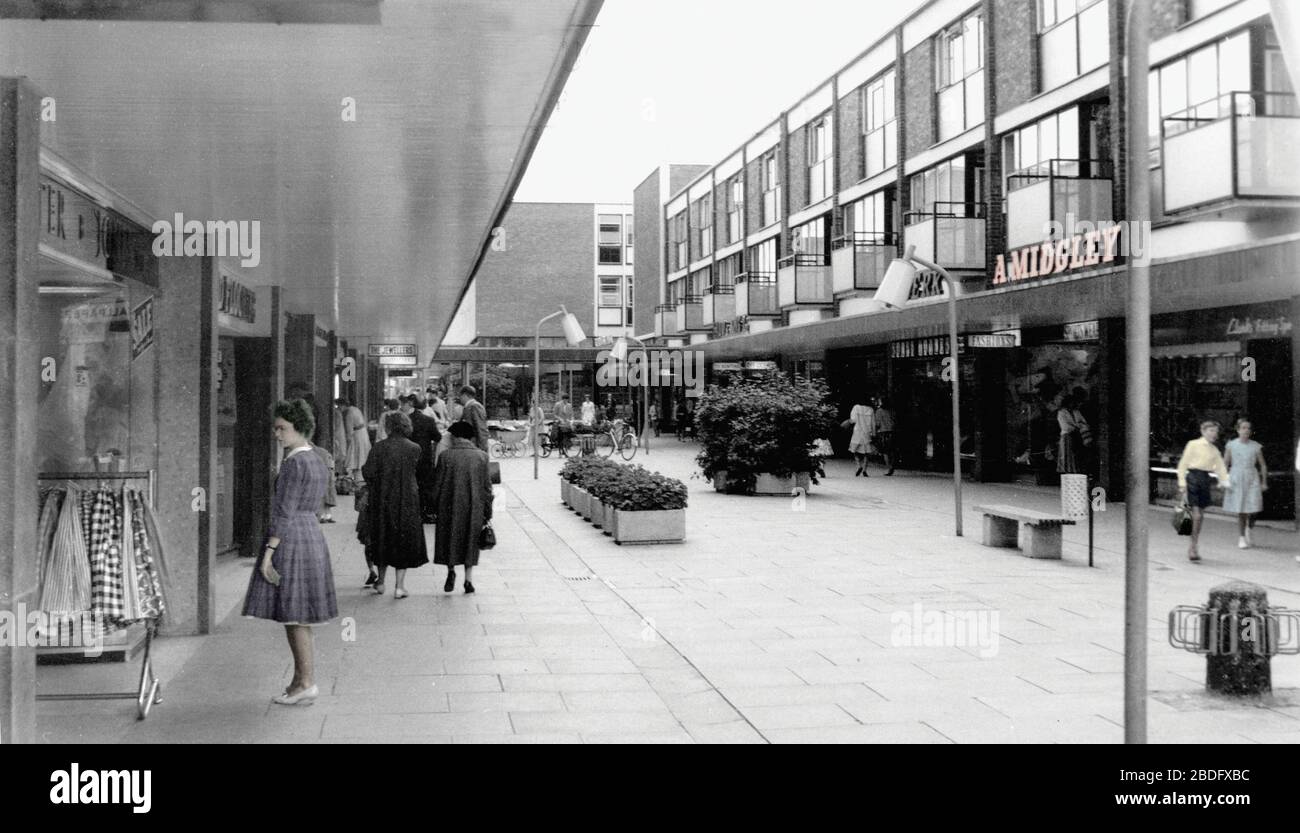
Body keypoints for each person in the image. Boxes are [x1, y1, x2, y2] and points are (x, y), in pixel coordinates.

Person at [242, 399, 338, 706]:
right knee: (299, 616)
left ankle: (305, 682)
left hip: (292, 537)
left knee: (294, 616)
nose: (277, 434)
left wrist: (269, 552)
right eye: (276, 428)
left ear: (299, 427)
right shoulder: (317, 458)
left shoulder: (293, 463)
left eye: (282, 428)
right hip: (310, 533)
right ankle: (300, 681)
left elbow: (283, 512)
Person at [361, 411, 429, 598]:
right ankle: (399, 587)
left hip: (383, 499)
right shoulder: (415, 448)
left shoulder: (379, 448)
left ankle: (381, 582)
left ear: (389, 427)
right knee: (403, 540)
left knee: (383, 538)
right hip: (407, 500)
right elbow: (420, 474)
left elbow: (368, 472)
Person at [431, 421, 494, 594]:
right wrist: (488, 510)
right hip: (474, 506)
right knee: (470, 541)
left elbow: (437, 485)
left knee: (450, 539)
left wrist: (434, 505)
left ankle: (451, 571)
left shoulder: (445, 456)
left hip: (448, 505)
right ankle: (468, 580)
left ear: (454, 437)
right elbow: (487, 487)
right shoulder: (481, 457)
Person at [1176, 420, 1231, 562]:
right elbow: (1183, 464)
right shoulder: (1193, 445)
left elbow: (1220, 467)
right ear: (1203, 431)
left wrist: (1224, 481)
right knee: (1196, 515)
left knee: (1200, 515)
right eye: (1211, 431)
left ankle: (1194, 544)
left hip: (1204, 480)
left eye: (1216, 432)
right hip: (1193, 478)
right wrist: (1182, 483)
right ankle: (1193, 547)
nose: (1214, 434)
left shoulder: (1214, 450)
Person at [1223, 419, 1267, 550]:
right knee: (1242, 509)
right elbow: (1224, 464)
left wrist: (1264, 481)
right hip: (1237, 476)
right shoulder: (1231, 445)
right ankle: (1241, 537)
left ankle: (1249, 528)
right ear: (1238, 430)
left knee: (1254, 508)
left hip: (1252, 476)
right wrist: (1224, 480)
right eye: (1243, 428)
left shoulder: (1255, 446)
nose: (1246, 430)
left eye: (1248, 428)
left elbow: (1263, 465)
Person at [402, 395, 442, 523]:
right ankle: (426, 513)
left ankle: (411, 513)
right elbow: (437, 437)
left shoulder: (406, 419)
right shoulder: (429, 420)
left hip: (409, 456)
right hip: (424, 457)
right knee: (425, 485)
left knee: (410, 484)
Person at [336, 397, 371, 486]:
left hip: (357, 435)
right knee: (360, 456)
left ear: (342, 405)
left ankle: (357, 479)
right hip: (363, 433)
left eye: (339, 406)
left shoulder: (349, 413)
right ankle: (358, 478)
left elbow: (349, 431)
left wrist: (347, 444)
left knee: (355, 457)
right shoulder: (356, 409)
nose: (338, 408)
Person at [1056, 390, 1092, 475]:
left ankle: (1075, 473)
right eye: (1070, 402)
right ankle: (1068, 474)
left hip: (1078, 436)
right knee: (1068, 455)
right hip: (1067, 436)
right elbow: (1065, 426)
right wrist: (1077, 426)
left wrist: (1078, 426)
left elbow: (1083, 422)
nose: (1072, 404)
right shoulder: (1061, 412)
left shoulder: (1076, 411)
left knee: (1076, 456)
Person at [456, 385, 491, 453]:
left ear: (465, 395)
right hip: (470, 446)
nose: (460, 399)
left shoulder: (475, 406)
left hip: (475, 446)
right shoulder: (468, 407)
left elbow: (481, 428)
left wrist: (483, 449)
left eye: (460, 396)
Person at [848, 398, 876, 477]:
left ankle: (858, 466)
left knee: (855, 450)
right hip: (867, 432)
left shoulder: (856, 407)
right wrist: (874, 434)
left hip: (857, 432)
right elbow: (873, 423)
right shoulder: (870, 409)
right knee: (867, 452)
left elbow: (853, 420)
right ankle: (864, 470)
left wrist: (848, 422)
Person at [874, 396, 896, 476]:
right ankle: (892, 465)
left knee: (885, 452)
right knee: (892, 450)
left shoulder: (879, 411)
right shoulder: (891, 411)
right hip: (892, 431)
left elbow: (877, 423)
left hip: (883, 432)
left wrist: (875, 431)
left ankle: (889, 467)